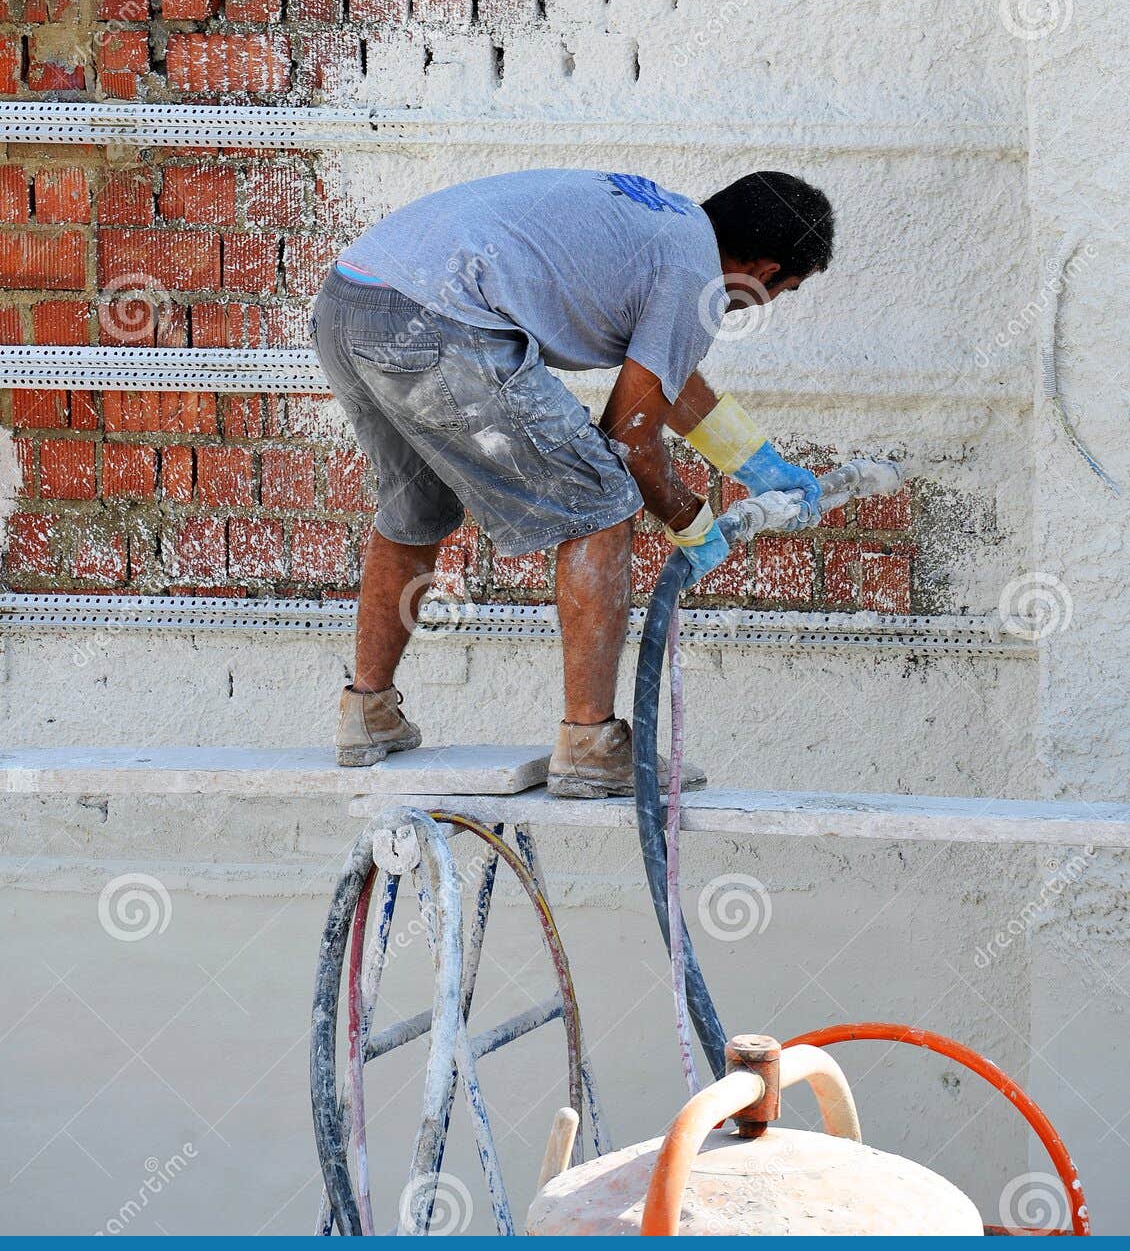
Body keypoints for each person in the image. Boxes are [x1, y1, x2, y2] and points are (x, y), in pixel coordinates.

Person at [311, 168, 834, 796]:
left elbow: (667, 379)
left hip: (352, 301)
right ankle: (590, 744)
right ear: (767, 270)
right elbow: (630, 437)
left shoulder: (661, 226)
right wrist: (690, 521)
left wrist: (756, 465)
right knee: (605, 501)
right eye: (786, 289)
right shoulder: (696, 275)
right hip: (437, 324)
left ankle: (367, 714)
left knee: (414, 506)